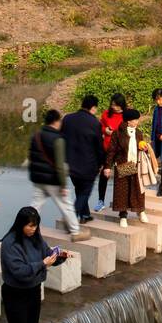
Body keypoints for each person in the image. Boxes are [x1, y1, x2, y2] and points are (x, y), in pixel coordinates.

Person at [29, 109, 86, 238]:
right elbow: (60, 165)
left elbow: (32, 157)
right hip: (53, 180)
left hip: (38, 179)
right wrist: (63, 185)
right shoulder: (58, 139)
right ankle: (76, 231)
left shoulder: (36, 135)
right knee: (66, 205)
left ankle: (25, 227)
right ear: (56, 121)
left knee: (35, 206)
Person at [61, 94, 105, 225]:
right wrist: (102, 162)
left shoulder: (68, 119)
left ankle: (85, 215)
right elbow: (99, 146)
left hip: (70, 163)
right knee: (84, 191)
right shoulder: (94, 123)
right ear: (93, 107)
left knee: (79, 190)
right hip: (88, 165)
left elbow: (61, 139)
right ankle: (71, 217)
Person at [106, 108, 152, 227]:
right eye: (134, 120)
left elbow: (141, 147)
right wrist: (108, 166)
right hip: (123, 164)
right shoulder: (118, 133)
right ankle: (123, 216)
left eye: (137, 119)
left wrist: (144, 148)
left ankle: (140, 211)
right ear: (128, 121)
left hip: (136, 164)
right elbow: (111, 151)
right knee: (123, 191)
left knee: (138, 189)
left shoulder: (138, 133)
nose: (137, 122)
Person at [95, 94, 127, 212]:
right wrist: (105, 130)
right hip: (107, 148)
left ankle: (121, 200)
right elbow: (101, 125)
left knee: (123, 173)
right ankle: (101, 200)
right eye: (112, 105)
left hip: (121, 150)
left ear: (121, 105)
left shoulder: (126, 115)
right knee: (104, 174)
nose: (114, 107)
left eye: (116, 105)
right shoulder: (106, 113)